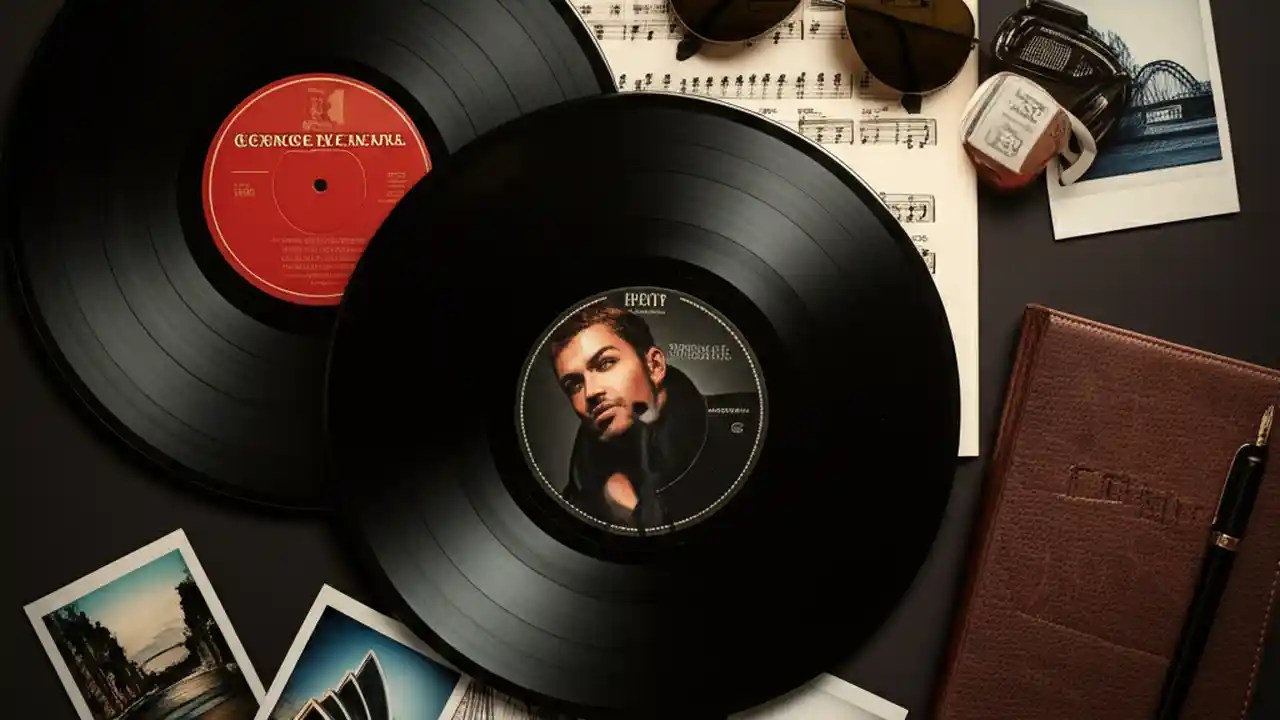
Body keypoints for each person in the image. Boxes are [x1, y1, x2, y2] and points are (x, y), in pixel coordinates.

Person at [547, 304, 759, 532]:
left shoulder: (753, 426)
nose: (591, 392)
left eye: (605, 363)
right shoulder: (573, 505)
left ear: (654, 365)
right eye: (574, 384)